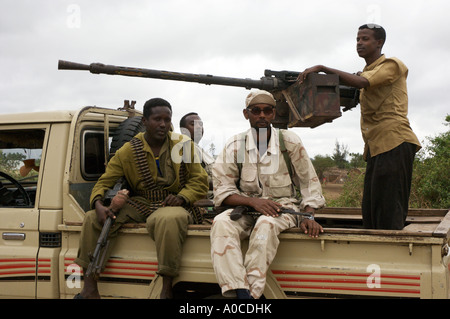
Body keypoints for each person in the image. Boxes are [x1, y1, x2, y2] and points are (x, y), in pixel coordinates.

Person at [74, 98, 209, 299]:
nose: (163, 124)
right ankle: (90, 286)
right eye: (157, 119)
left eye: (167, 119)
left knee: (166, 219)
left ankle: (166, 286)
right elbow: (104, 182)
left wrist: (182, 197)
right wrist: (98, 204)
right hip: (142, 202)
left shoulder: (183, 145)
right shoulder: (128, 151)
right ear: (144, 121)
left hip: (175, 202)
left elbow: (199, 180)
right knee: (93, 218)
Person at [297, 24, 421, 230]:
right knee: (372, 208)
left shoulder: (392, 65)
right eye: (357, 39)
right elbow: (355, 86)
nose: (360, 43)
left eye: (365, 39)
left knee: (389, 208)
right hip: (376, 146)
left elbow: (362, 82)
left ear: (379, 43)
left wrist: (323, 69)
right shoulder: (366, 72)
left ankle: (391, 256)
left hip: (394, 141)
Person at [210, 90, 325, 299]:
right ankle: (239, 290)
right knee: (220, 223)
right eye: (256, 111)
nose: (262, 115)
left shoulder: (289, 142)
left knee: (266, 224)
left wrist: (308, 215)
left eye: (267, 111)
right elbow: (222, 188)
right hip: (245, 208)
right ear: (246, 114)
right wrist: (253, 202)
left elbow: (309, 183)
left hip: (283, 207)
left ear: (273, 114)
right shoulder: (235, 145)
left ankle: (249, 297)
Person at [180, 112, 215, 197]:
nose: (199, 127)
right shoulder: (185, 148)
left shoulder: (199, 148)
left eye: (200, 124)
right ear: (183, 130)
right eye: (193, 124)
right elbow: (197, 179)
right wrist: (224, 184)